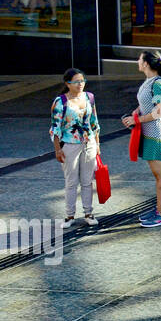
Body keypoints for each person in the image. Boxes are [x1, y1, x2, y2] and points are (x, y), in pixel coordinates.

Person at [121, 50, 161, 227]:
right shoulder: (150, 81)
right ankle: (160, 208)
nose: (137, 61)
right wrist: (136, 112)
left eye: (139, 59)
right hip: (149, 133)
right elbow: (148, 103)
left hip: (157, 134)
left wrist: (138, 119)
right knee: (157, 175)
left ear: (146, 63)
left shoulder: (159, 83)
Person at [51, 68, 101, 228]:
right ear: (67, 84)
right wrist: (57, 149)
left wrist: (97, 144)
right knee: (71, 181)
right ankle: (69, 215)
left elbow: (94, 122)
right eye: (76, 82)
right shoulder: (60, 102)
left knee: (87, 181)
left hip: (89, 143)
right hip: (69, 144)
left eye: (82, 81)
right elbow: (55, 127)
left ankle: (88, 213)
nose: (80, 84)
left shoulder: (89, 97)